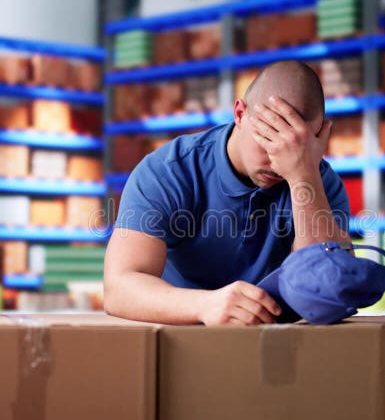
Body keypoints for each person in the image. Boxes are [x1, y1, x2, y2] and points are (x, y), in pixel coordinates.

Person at [104, 60, 351, 326]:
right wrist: (205, 304)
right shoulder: (169, 171)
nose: (277, 161)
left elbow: (329, 293)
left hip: (277, 344)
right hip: (181, 335)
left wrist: (304, 175)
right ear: (240, 114)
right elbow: (119, 288)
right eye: (267, 140)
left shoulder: (320, 183)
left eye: (296, 147)